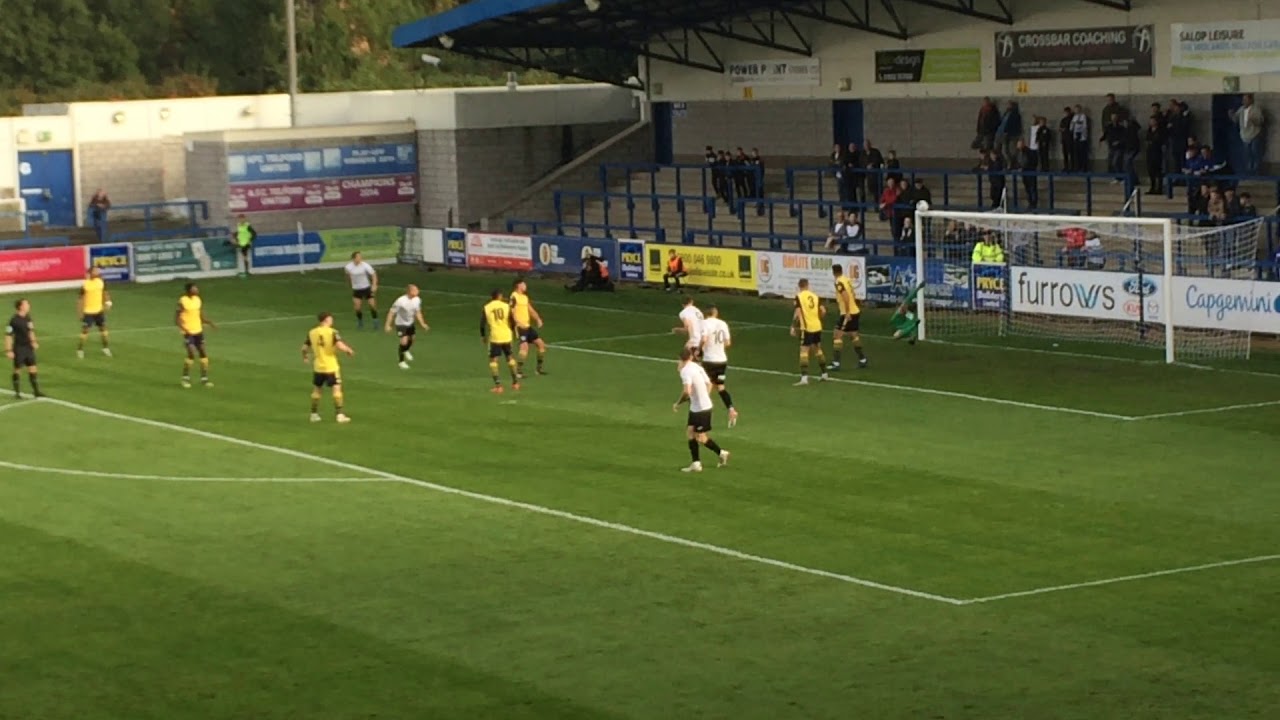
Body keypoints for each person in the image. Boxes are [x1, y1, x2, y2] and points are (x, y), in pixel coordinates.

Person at [673, 346, 729, 473]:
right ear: (691, 357)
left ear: (680, 359)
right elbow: (709, 383)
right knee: (690, 432)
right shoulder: (696, 367)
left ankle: (721, 453)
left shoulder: (685, 371)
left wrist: (678, 403)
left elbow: (686, 391)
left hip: (701, 409)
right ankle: (696, 463)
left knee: (701, 437)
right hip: (697, 407)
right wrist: (704, 396)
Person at [302, 312, 354, 424]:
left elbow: (304, 348)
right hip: (331, 366)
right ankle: (339, 414)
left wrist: (305, 357)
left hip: (318, 367)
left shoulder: (312, 332)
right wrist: (349, 350)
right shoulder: (332, 332)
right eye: (331, 319)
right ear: (326, 320)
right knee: (336, 389)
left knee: (317, 390)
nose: (332, 321)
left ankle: (314, 414)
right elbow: (339, 345)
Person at [699, 305, 738, 428]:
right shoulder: (723, 324)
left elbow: (704, 339)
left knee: (707, 387)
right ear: (716, 313)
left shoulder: (705, 323)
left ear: (707, 314)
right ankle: (731, 409)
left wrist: (699, 350)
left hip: (709, 361)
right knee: (720, 386)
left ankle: (703, 419)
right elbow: (728, 342)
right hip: (722, 361)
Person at [176, 283, 216, 388]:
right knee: (191, 354)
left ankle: (204, 379)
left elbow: (200, 315)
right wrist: (184, 329)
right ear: (189, 290)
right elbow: (177, 318)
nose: (197, 290)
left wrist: (208, 322)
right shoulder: (183, 301)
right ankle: (185, 378)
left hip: (198, 331)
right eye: (194, 288)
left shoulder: (198, 300)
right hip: (188, 332)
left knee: (203, 352)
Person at [790, 278, 829, 386]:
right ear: (807, 285)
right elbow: (823, 311)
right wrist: (818, 318)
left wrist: (793, 326)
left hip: (807, 328)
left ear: (799, 286)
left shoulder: (799, 297)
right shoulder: (815, 296)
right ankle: (824, 374)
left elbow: (798, 312)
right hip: (817, 326)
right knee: (817, 349)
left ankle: (804, 378)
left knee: (804, 351)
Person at [481, 289, 520, 393]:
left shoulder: (487, 307)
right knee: (510, 358)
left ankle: (498, 386)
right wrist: (513, 331)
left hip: (495, 337)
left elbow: (482, 324)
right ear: (500, 296)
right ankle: (515, 383)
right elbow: (512, 321)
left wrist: (483, 336)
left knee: (493, 361)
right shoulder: (506, 306)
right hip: (507, 336)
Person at [830, 263, 866, 371]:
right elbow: (853, 294)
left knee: (837, 335)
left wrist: (847, 312)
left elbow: (846, 296)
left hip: (847, 313)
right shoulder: (846, 279)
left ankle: (836, 363)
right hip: (855, 311)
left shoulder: (839, 282)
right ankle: (862, 359)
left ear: (833, 272)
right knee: (853, 336)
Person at [385, 284, 429, 370]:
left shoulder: (417, 300)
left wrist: (422, 323)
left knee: (412, 340)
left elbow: (418, 312)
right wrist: (387, 325)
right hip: (401, 324)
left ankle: (405, 350)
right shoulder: (400, 301)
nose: (418, 291)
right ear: (410, 291)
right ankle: (401, 361)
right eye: (415, 290)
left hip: (410, 323)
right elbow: (391, 312)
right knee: (404, 341)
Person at [510, 278, 547, 378]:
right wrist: (517, 323)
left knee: (541, 344)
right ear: (518, 286)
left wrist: (538, 319)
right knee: (524, 347)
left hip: (527, 326)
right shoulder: (514, 296)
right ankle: (518, 372)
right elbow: (511, 311)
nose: (525, 286)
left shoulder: (524, 297)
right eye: (524, 284)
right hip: (520, 327)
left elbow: (530, 310)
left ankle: (538, 369)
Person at [6, 299, 42, 399]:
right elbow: (8, 335)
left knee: (33, 368)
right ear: (21, 307)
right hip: (19, 348)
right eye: (26, 304)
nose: (28, 305)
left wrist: (34, 341)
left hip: (28, 347)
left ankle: (36, 391)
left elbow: (31, 331)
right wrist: (9, 350)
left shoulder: (28, 317)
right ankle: (17, 392)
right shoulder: (14, 320)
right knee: (17, 369)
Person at [76, 267, 112, 359]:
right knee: (85, 331)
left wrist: (108, 302)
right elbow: (80, 299)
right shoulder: (85, 284)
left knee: (103, 329)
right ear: (90, 273)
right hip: (88, 312)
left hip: (99, 311)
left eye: (98, 271)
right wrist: (80, 312)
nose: (98, 272)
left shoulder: (101, 282)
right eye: (96, 271)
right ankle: (80, 349)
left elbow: (105, 293)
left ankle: (106, 348)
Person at [1229, 94, 1265, 175]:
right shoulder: (1241, 109)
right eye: (1243, 99)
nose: (1243, 101)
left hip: (1254, 134)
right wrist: (1231, 115)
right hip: (1244, 135)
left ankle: (1256, 171)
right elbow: (1236, 119)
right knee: (1247, 154)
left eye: (1246, 99)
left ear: (1251, 100)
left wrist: (1254, 120)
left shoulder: (1256, 109)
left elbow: (1261, 121)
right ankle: (1249, 171)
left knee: (1255, 153)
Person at [344, 251, 378, 329]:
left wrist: (374, 285)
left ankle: (375, 321)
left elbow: (373, 274)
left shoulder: (365, 265)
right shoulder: (348, 267)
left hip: (367, 288)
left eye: (360, 256)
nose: (360, 258)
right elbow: (348, 275)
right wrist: (350, 283)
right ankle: (360, 322)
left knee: (372, 305)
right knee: (357, 307)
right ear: (354, 258)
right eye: (358, 257)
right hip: (357, 289)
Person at [1145, 115, 1166, 194]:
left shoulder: (1160, 130)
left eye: (1153, 121)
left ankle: (1159, 188)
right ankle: (1152, 187)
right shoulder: (1149, 130)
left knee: (1158, 171)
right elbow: (1147, 139)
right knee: (1151, 171)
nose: (1151, 122)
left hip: (1157, 152)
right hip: (1149, 152)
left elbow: (1160, 140)